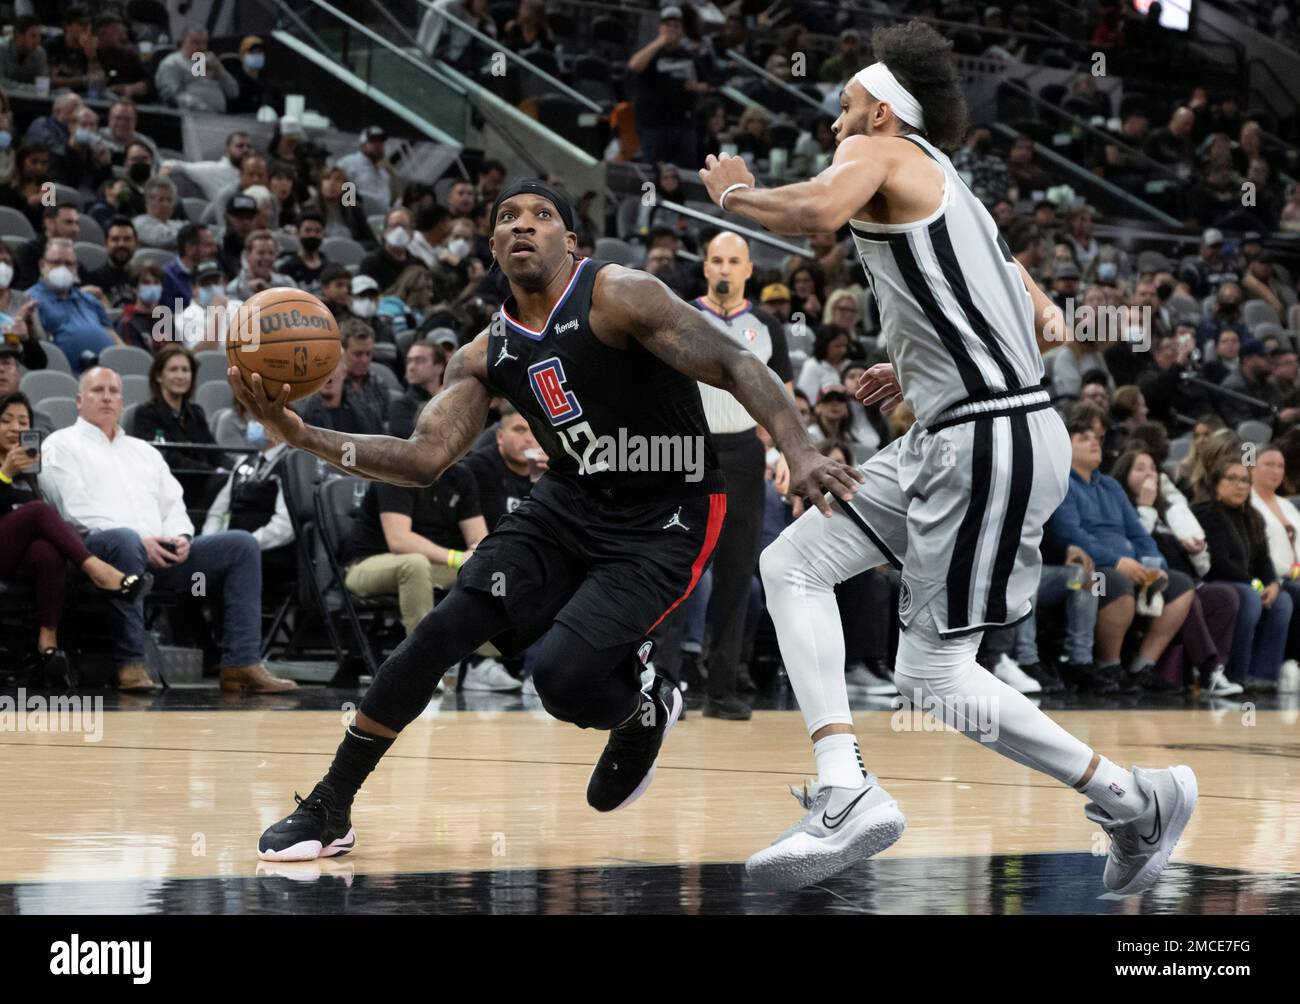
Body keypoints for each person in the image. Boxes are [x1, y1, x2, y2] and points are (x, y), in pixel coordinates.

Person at [698, 20, 1197, 894]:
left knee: (932, 675)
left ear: (886, 112)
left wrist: (736, 196)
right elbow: (1043, 321)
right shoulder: (957, 192)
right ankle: (844, 785)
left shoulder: (887, 156)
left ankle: (1131, 798)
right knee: (795, 563)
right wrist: (929, 362)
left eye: (848, 107)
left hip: (985, 439)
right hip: (962, 429)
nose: (836, 124)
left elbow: (814, 210)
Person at [235, 178, 852, 860]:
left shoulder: (621, 294)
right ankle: (329, 806)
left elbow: (736, 361)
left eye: (542, 215)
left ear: (569, 239)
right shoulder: (485, 353)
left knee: (562, 679)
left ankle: (639, 708)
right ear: (491, 244)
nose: (523, 225)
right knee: (438, 633)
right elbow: (421, 460)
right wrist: (302, 435)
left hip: (666, 512)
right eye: (507, 218)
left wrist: (800, 451)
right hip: (566, 502)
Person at [39, 367, 295, 694]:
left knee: (241, 546)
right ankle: (130, 663)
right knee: (125, 539)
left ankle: (240, 663)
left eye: (113, 391)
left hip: (160, 556)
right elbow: (74, 512)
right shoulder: (60, 445)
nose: (106, 397)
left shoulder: (144, 451)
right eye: (97, 390)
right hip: (98, 559)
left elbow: (174, 503)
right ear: (79, 400)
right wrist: (141, 543)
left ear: (122, 401)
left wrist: (181, 537)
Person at [686, 230, 791, 719]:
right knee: (678, 568)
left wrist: (789, 453)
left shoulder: (768, 325)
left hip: (746, 452)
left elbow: (783, 397)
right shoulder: (680, 315)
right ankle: (662, 682)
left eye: (734, 261)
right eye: (716, 260)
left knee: (736, 572)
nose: (724, 269)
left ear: (749, 270)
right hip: (688, 451)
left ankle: (722, 687)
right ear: (704, 267)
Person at [0, 390, 146, 685]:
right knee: (39, 511)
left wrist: (28, 475)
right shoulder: (9, 468)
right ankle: (96, 569)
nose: (16, 427)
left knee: (47, 551)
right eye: (6, 420)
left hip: (18, 558)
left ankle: (48, 643)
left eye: (23, 421)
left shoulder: (31, 471)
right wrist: (4, 473)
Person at [1192, 459, 1293, 690]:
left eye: (1245, 480)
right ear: (1216, 483)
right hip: (1216, 581)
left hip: (1249, 583)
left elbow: (1263, 559)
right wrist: (1256, 585)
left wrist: (1272, 584)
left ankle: (1263, 677)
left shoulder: (1252, 517)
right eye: (1232, 479)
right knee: (1248, 597)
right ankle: (1234, 674)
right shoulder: (1207, 512)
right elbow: (1218, 563)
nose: (1240, 486)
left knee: (1282, 600)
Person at [129, 344, 225, 512]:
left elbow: (214, 452)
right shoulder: (146, 414)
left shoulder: (196, 413)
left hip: (204, 483)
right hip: (172, 488)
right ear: (159, 376)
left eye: (185, 370)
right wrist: (214, 472)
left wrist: (236, 469)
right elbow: (168, 458)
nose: (181, 376)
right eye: (173, 370)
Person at [1249, 445, 1300, 692]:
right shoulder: (1247, 500)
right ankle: (1278, 669)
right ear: (1252, 466)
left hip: (1293, 575)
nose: (1276, 470)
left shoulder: (1288, 505)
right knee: (1293, 595)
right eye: (1268, 464)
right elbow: (1258, 552)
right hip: (1258, 579)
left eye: (1280, 465)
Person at [27, 238, 118, 372]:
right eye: (56, 262)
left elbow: (113, 336)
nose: (62, 268)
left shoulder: (90, 300)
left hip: (108, 372)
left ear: (76, 268)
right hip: (64, 375)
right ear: (42, 265)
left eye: (69, 264)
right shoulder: (29, 300)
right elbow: (38, 347)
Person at [154, 25, 239, 112]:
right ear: (183, 42)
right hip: (191, 116)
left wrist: (220, 70)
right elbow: (172, 96)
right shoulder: (172, 63)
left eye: (204, 43)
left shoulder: (210, 62)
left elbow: (234, 93)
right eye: (195, 42)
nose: (201, 47)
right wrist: (204, 108)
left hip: (219, 117)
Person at [292, 360, 385, 435]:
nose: (326, 373)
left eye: (332, 367)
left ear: (344, 372)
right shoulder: (300, 415)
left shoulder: (364, 410)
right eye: (319, 366)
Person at [389, 338, 447, 439]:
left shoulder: (451, 401)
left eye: (419, 361)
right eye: (409, 361)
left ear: (439, 367)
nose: (411, 367)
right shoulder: (400, 406)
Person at [335, 126, 398, 216]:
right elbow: (343, 198)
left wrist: (391, 171)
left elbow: (389, 201)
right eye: (373, 141)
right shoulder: (347, 164)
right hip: (357, 221)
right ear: (363, 144)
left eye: (381, 142)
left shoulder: (383, 174)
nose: (378, 145)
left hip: (379, 222)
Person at [84, 216, 139, 309]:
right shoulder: (92, 279)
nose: (121, 244)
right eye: (115, 239)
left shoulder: (143, 279)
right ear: (106, 243)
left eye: (127, 239)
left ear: (136, 244)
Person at [276, 211, 327, 292]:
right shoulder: (287, 267)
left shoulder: (328, 266)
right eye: (308, 230)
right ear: (298, 232)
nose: (312, 235)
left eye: (317, 231)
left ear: (323, 234)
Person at [133, 177, 184, 250]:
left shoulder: (177, 224)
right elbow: (161, 240)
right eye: (161, 200)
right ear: (148, 203)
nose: (166, 204)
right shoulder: (139, 223)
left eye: (169, 200)